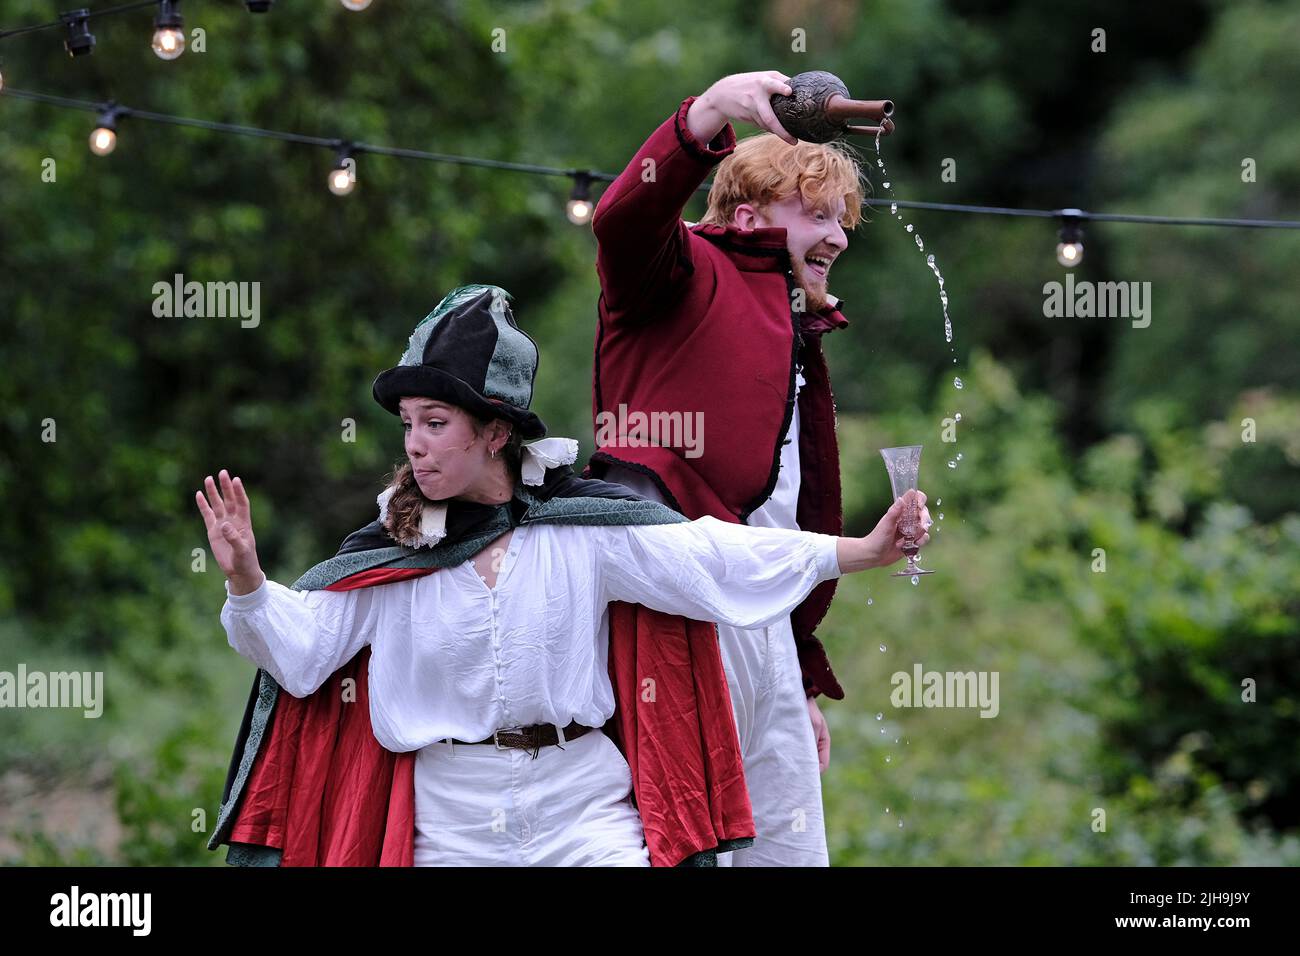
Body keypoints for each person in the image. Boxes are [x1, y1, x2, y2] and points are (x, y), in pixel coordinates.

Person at [199, 284, 930, 867]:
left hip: (581, 811)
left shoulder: (582, 530)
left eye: (434, 423)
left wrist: (862, 550)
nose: (414, 446)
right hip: (451, 824)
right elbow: (301, 654)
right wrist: (248, 581)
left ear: (494, 432)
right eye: (408, 425)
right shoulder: (394, 553)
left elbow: (712, 555)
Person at [585, 71, 873, 865]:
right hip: (671, 614)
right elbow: (622, 218)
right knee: (677, 852)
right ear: (746, 217)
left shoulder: (795, 334)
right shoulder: (678, 274)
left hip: (764, 632)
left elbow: (780, 518)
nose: (839, 235)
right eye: (815, 214)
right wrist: (710, 109)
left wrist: (796, 676)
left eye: (841, 219)